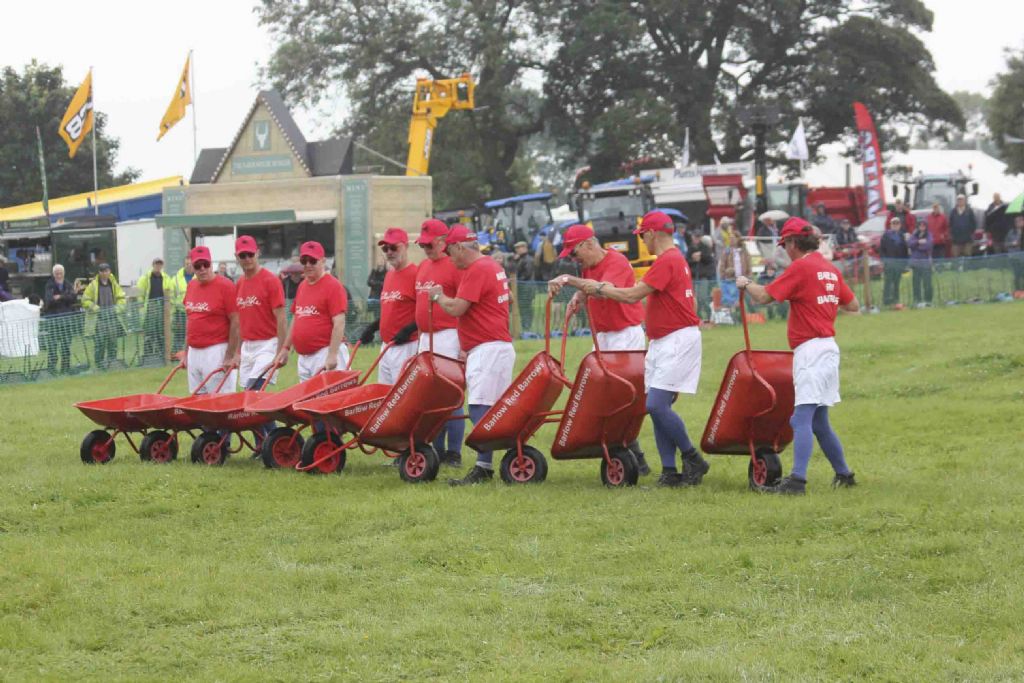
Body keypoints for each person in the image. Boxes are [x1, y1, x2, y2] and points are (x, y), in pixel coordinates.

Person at [570, 210, 708, 487]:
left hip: (675, 339)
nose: (642, 240)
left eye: (643, 234)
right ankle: (669, 471)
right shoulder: (671, 259)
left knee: (656, 405)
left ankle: (693, 457)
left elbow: (631, 295)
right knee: (656, 406)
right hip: (664, 339)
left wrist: (592, 287)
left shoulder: (667, 261)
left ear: (652, 233)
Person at [737, 217, 860, 494]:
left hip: (811, 351)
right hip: (829, 347)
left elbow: (765, 297)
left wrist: (746, 284)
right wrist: (823, 307)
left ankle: (797, 481)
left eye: (785, 245)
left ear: (793, 242)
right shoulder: (829, 269)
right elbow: (852, 304)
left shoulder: (801, 267)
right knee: (819, 421)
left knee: (800, 418)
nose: (784, 250)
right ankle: (844, 475)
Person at [547, 224, 651, 475]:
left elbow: (601, 290)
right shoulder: (589, 266)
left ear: (589, 244)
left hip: (624, 333)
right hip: (604, 334)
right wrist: (577, 299)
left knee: (620, 394)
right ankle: (627, 452)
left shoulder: (616, 261)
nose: (574, 258)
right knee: (604, 392)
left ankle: (632, 454)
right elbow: (588, 290)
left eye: (574, 253)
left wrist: (568, 280)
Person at [428, 225, 515, 486]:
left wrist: (439, 296)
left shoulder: (477, 270)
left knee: (480, 409)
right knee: (492, 409)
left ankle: (485, 467)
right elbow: (505, 298)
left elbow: (456, 308)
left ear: (459, 247)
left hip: (487, 349)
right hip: (494, 346)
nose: (450, 259)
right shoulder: (491, 266)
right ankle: (500, 459)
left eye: (450, 252)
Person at [414, 219, 466, 468]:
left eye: (429, 244)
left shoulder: (456, 265)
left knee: (451, 394)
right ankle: (435, 449)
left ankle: (453, 453)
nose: (426, 249)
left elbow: (466, 305)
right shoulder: (423, 266)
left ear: (443, 241)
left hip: (448, 335)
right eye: (423, 245)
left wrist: (463, 343)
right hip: (425, 337)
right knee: (429, 397)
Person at [273, 241, 349, 383]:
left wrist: (332, 354)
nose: (308, 265)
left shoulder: (333, 286)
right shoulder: (303, 286)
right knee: (307, 402)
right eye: (304, 261)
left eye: (313, 261)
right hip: (304, 357)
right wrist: (285, 347)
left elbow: (339, 323)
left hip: (325, 352)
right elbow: (296, 319)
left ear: (323, 261)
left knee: (330, 401)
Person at [359, 228, 419, 383]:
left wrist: (408, 330)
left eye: (394, 247)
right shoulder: (389, 275)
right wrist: (372, 327)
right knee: (385, 397)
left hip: (406, 346)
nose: (389, 252)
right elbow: (390, 310)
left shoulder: (416, 274)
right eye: (385, 248)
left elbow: (426, 312)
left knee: (402, 400)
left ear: (405, 246)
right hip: (386, 347)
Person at [182, 246, 239, 394]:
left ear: (211, 264)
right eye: (197, 266)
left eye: (205, 264)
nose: (202, 269)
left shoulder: (226, 286)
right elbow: (190, 320)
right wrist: (186, 352)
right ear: (192, 267)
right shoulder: (192, 286)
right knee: (196, 400)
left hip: (216, 349)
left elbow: (236, 321)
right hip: (195, 350)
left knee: (220, 401)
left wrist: (229, 355)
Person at [233, 235, 286, 391]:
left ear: (258, 253)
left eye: (250, 254)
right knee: (248, 394)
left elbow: (281, 318)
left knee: (253, 389)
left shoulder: (270, 281)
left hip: (267, 344)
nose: (247, 258)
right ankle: (267, 416)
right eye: (243, 255)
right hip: (247, 346)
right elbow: (240, 322)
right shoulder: (240, 283)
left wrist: (282, 350)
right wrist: (237, 351)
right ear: (236, 257)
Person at [81, 263, 125, 369]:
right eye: (102, 271)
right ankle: (99, 364)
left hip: (112, 318)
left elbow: (121, 298)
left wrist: (118, 308)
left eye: (106, 271)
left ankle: (111, 363)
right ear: (99, 272)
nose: (104, 273)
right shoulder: (93, 285)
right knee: (100, 342)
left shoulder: (114, 284)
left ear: (109, 271)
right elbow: (85, 300)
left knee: (113, 342)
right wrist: (95, 308)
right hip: (99, 319)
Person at [43, 264, 77, 374]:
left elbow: (73, 298)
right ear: (53, 274)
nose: (58, 275)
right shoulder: (49, 285)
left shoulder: (68, 284)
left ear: (63, 273)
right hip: (53, 320)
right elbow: (49, 300)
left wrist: (60, 297)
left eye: (60, 273)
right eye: (56, 273)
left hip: (66, 320)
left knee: (66, 345)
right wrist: (66, 297)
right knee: (52, 346)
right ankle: (52, 369)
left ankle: (65, 368)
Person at [137, 257, 173, 363]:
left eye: (160, 264)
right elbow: (140, 294)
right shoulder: (145, 278)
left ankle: (162, 355)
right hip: (150, 309)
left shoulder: (166, 278)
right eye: (156, 264)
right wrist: (142, 307)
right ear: (153, 265)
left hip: (162, 310)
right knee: (149, 333)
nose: (158, 266)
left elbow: (169, 293)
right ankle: (147, 356)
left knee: (161, 333)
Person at [717, 223, 752, 312]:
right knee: (732, 299)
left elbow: (749, 263)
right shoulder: (727, 250)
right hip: (731, 279)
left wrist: (749, 274)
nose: (731, 240)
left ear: (738, 239)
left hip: (743, 278)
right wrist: (723, 275)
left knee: (747, 298)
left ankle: (751, 314)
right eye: (730, 238)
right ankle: (734, 316)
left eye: (733, 238)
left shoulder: (744, 250)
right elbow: (722, 264)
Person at [683, 228, 715, 320]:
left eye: (698, 237)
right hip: (693, 277)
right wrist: (693, 259)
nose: (696, 239)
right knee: (693, 298)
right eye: (695, 237)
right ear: (692, 237)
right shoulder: (690, 248)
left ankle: (708, 315)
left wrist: (701, 256)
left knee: (703, 297)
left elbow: (710, 260)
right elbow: (686, 262)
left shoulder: (705, 247)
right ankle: (697, 316)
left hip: (703, 277)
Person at [507, 240, 536, 333]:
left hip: (527, 287)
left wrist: (516, 281)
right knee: (523, 308)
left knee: (526, 307)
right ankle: (525, 326)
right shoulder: (521, 259)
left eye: (519, 248)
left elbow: (527, 274)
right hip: (524, 287)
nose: (517, 250)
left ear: (524, 248)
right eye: (516, 248)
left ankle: (527, 327)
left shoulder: (528, 259)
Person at [879, 217, 908, 307]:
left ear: (899, 225)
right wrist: (884, 261)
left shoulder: (901, 235)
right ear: (891, 225)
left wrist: (905, 263)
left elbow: (905, 250)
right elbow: (881, 249)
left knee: (896, 282)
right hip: (889, 262)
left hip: (899, 263)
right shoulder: (886, 235)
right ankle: (886, 300)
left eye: (897, 224)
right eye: (893, 224)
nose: (895, 225)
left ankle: (896, 299)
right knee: (888, 282)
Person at [171, 257, 195, 353]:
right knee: (179, 334)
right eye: (187, 264)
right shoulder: (176, 279)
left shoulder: (198, 277)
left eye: (190, 264)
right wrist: (173, 313)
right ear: (184, 265)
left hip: (194, 311)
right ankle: (176, 354)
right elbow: (172, 297)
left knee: (193, 333)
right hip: (180, 312)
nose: (189, 266)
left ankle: (191, 352)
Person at [907, 221, 934, 307]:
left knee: (927, 282)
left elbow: (929, 245)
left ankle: (928, 300)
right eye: (920, 225)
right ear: (918, 226)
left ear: (926, 226)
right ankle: (917, 300)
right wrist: (918, 242)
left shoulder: (929, 234)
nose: (922, 227)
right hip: (915, 263)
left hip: (926, 262)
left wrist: (917, 247)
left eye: (923, 225)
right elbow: (910, 244)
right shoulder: (914, 234)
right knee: (916, 283)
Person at [949, 194, 977, 258]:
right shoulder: (953, 211)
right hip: (956, 240)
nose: (960, 201)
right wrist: (952, 234)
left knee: (967, 256)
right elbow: (950, 224)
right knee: (956, 257)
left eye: (961, 200)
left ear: (965, 201)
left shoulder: (969, 211)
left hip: (967, 239)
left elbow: (974, 223)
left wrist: (970, 233)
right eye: (959, 200)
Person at [1007, 214, 1024, 292]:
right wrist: (1012, 244)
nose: (1018, 223)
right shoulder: (1011, 232)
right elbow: (1005, 244)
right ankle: (1018, 291)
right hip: (1015, 257)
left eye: (1020, 221)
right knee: (1017, 275)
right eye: (1016, 221)